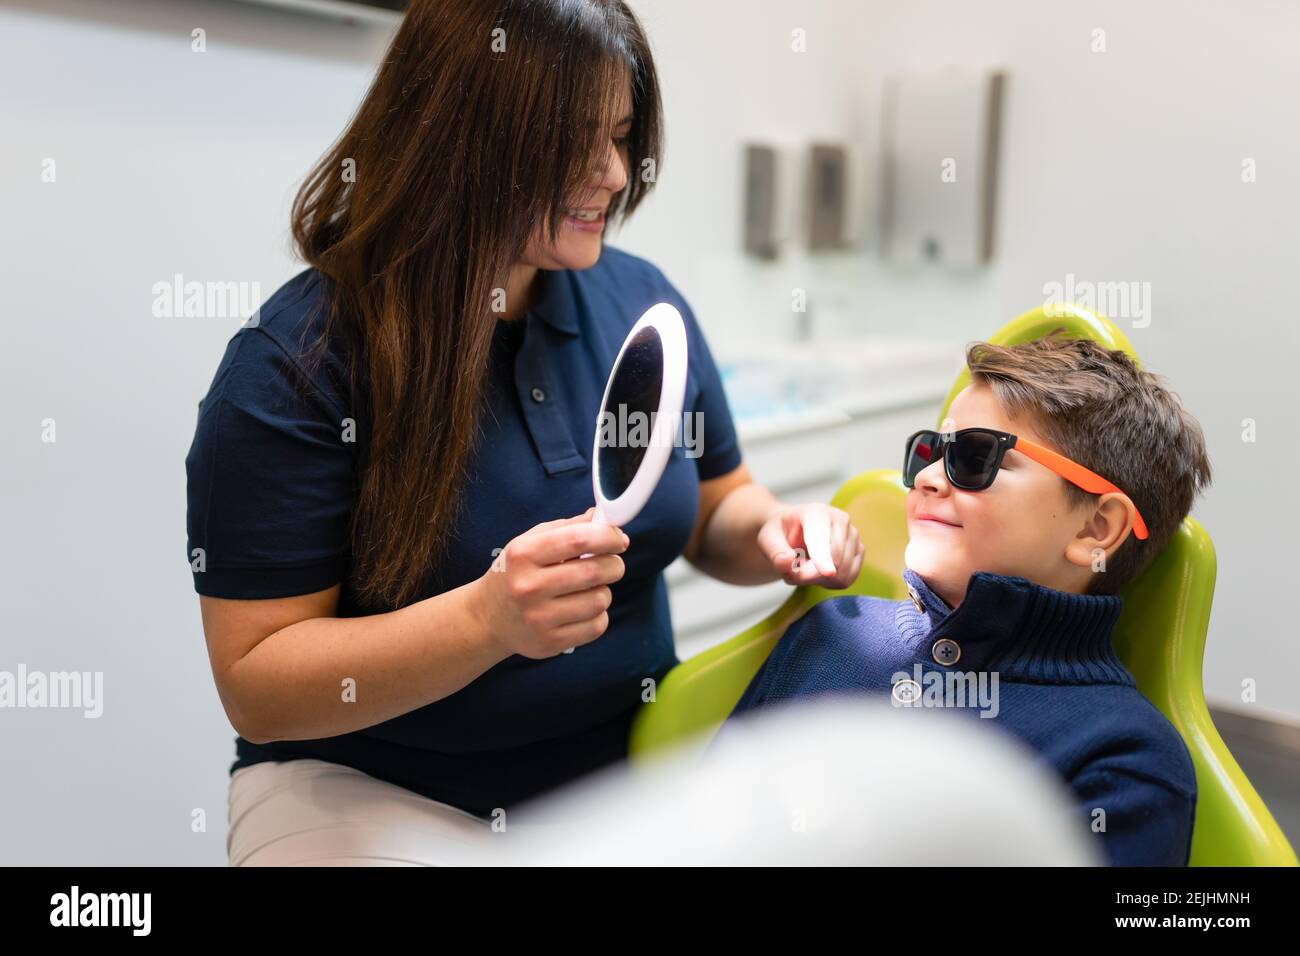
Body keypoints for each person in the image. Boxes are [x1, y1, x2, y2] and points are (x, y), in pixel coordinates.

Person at [185, 0, 864, 866]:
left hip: (628, 783)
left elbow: (714, 507)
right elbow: (258, 684)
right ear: (462, 135)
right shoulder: (295, 367)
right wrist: (487, 620)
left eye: (621, 135)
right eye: (577, 138)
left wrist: (772, 531)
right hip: (372, 796)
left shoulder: (638, 305)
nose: (616, 173)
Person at [720, 332, 1213, 866]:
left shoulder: (1124, 757)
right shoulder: (831, 632)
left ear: (1096, 527)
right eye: (930, 452)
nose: (929, 478)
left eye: (977, 458)